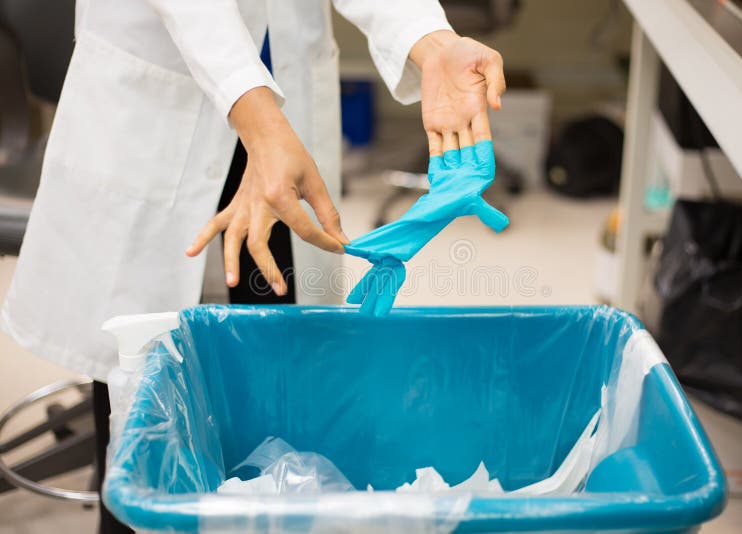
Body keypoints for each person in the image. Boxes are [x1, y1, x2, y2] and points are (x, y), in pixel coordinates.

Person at [1, 0, 505, 532]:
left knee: (282, 394)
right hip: (167, 103)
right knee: (143, 386)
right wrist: (256, 120)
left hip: (282, 103)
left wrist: (430, 41)